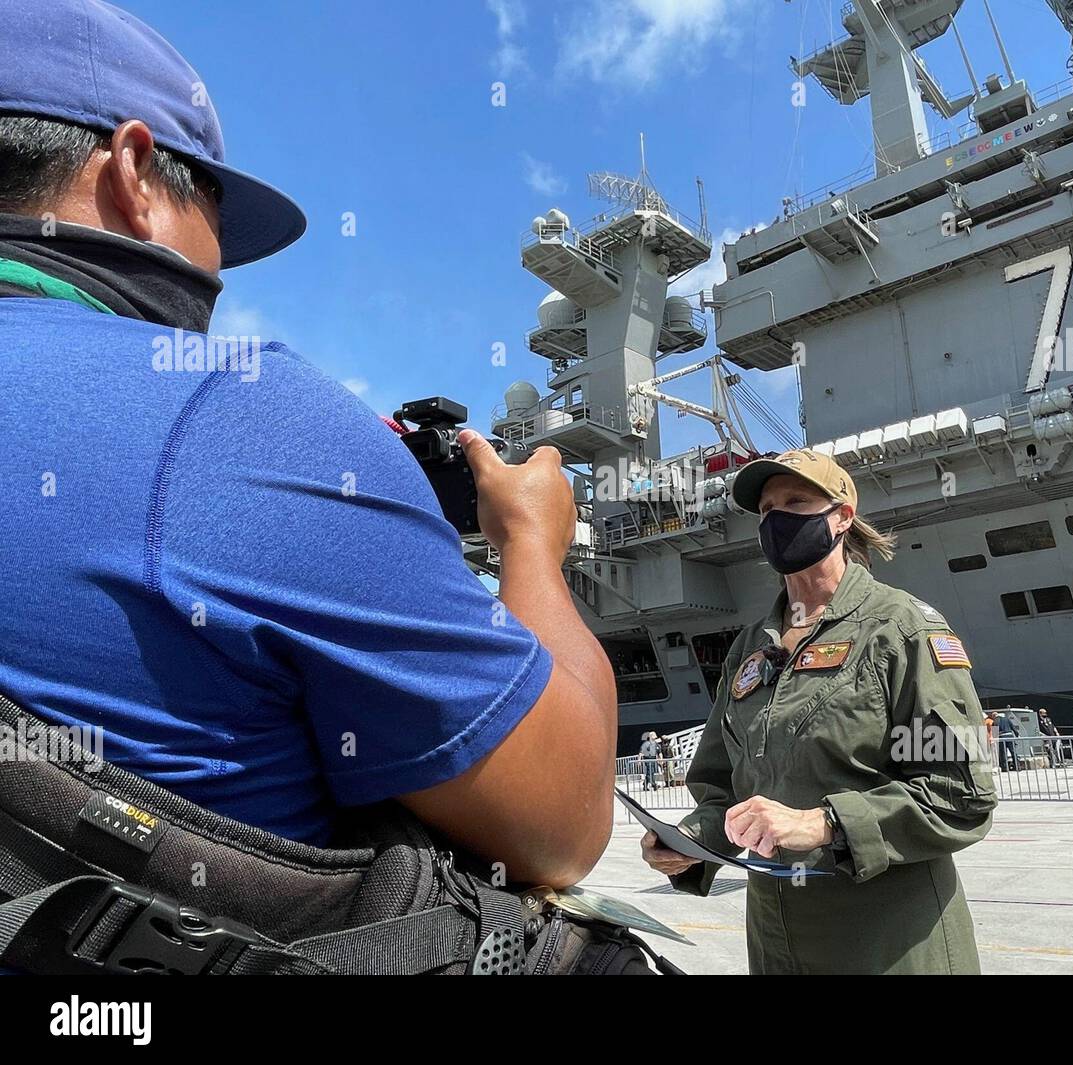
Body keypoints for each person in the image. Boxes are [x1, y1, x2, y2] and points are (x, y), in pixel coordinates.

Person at [0, 0, 617, 891]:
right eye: (209, 208)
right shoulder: (236, 412)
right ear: (134, 170)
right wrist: (532, 544)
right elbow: (562, 828)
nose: (218, 268)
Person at [640, 448, 996, 974]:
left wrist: (825, 823)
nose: (777, 518)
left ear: (842, 517)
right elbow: (722, 785)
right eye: (766, 509)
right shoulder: (749, 649)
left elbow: (961, 794)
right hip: (777, 937)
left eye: (797, 501)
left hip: (887, 941)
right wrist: (693, 838)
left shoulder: (900, 630)